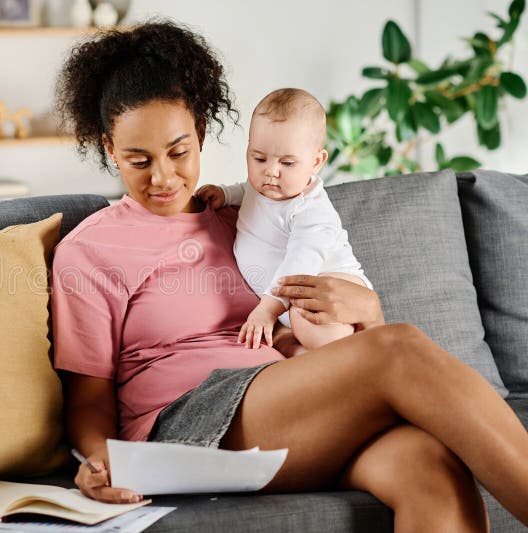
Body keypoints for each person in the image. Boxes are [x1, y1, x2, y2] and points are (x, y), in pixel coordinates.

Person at [51, 20, 528, 530]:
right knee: (400, 347)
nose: (163, 177)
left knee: (431, 466)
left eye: (179, 152)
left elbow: (340, 331)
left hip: (293, 407)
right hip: (190, 420)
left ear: (202, 133)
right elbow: (88, 397)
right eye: (138, 160)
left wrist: (366, 312)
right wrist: (99, 462)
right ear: (109, 149)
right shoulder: (90, 250)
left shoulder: (249, 217)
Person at [196, 88, 369, 353]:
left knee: (305, 314)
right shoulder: (264, 188)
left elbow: (300, 264)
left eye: (287, 163)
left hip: (335, 286)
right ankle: (331, 358)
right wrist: (224, 194)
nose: (271, 171)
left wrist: (267, 309)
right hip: (290, 301)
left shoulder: (310, 210)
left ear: (316, 162)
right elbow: (247, 190)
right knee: (296, 328)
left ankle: (349, 354)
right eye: (259, 158)